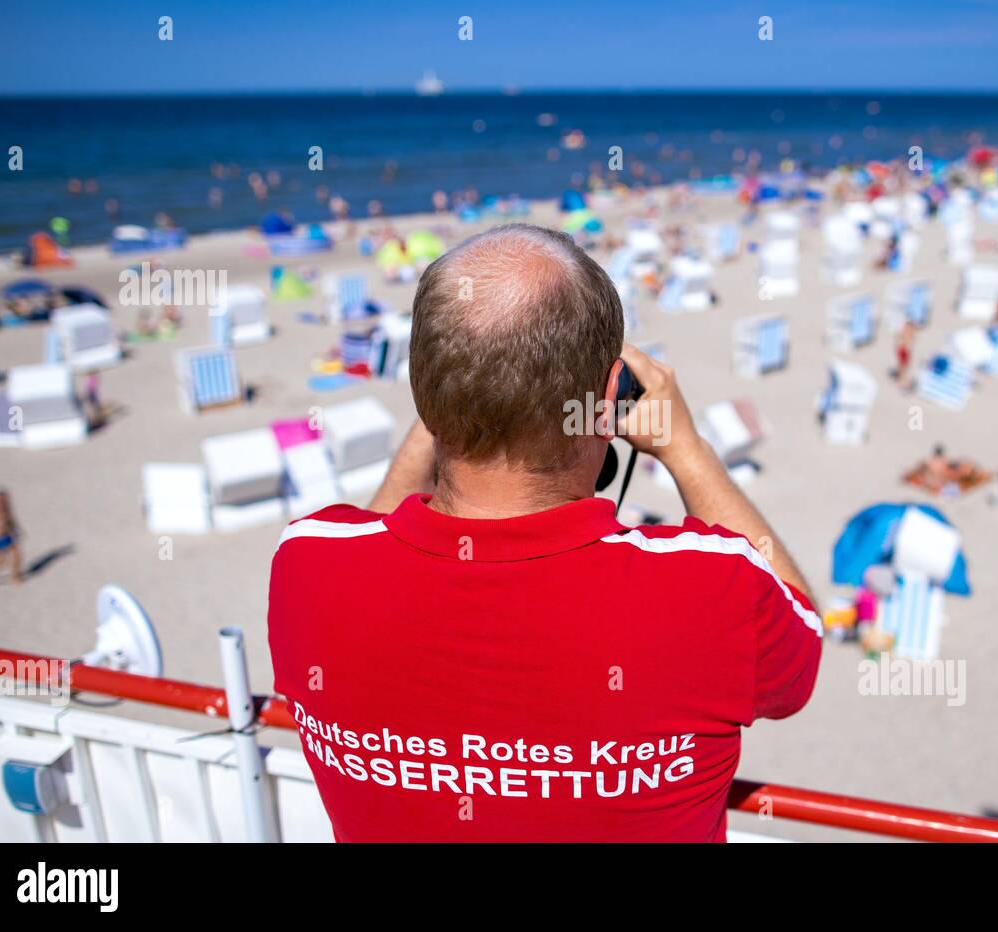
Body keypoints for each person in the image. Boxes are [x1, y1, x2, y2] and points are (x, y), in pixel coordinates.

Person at [267, 223, 821, 842]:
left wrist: (450, 401)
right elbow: (802, 637)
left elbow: (375, 540)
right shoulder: (715, 588)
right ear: (609, 398)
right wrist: (686, 450)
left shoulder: (307, 567)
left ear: (422, 392)